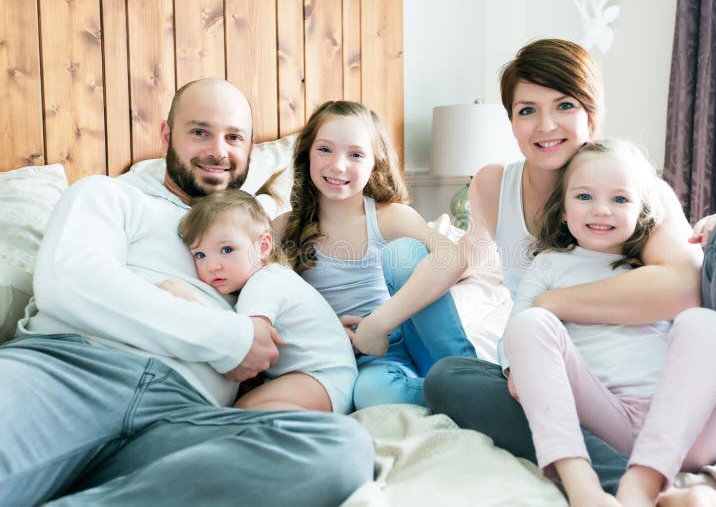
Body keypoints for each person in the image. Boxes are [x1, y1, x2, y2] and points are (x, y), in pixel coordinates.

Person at [423, 39, 716, 507]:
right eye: (526, 110)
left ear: (591, 113)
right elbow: (466, 253)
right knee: (448, 378)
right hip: (576, 381)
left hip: (669, 384)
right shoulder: (493, 184)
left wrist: (552, 303)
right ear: (511, 120)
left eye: (564, 105)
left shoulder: (638, 186)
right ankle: (628, 484)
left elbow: (684, 289)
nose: (546, 125)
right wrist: (384, 315)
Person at [0, 78, 373, 506]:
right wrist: (232, 340)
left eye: (234, 137)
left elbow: (280, 310)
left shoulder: (253, 240)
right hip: (67, 370)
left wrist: (321, 328)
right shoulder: (111, 195)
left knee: (339, 448)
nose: (218, 150)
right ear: (166, 136)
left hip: (185, 416)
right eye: (200, 132)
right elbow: (68, 281)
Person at [503, 140, 716, 506]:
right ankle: (586, 487)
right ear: (562, 210)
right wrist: (528, 368)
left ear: (642, 212)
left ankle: (656, 486)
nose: (601, 210)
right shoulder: (548, 265)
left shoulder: (653, 267)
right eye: (583, 197)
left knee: (708, 324)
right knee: (528, 324)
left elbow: (711, 333)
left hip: (685, 425)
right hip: (609, 418)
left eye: (620, 199)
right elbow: (514, 350)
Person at [274, 100, 476, 409]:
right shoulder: (283, 228)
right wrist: (322, 332)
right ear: (307, 155)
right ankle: (457, 396)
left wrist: (379, 323)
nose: (338, 165)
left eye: (355, 154)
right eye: (325, 149)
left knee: (404, 253)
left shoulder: (390, 217)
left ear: (375, 164)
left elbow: (454, 259)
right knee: (372, 395)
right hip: (347, 359)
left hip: (396, 341)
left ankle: (467, 378)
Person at [157, 189, 357, 414]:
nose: (212, 265)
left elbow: (243, 344)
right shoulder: (267, 277)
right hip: (326, 378)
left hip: (322, 379)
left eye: (227, 249)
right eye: (200, 255)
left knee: (244, 412)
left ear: (263, 247)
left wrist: (189, 304)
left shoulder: (263, 284)